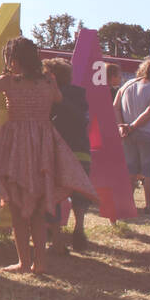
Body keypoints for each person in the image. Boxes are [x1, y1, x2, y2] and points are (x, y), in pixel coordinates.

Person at [0, 37, 96, 274]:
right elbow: (58, 99)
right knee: (39, 211)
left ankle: (23, 262)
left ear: (14, 60)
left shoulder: (9, 82)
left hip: (17, 146)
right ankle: (39, 263)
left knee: (20, 210)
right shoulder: (48, 81)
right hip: (43, 144)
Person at [45, 58, 91, 252]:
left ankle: (55, 237)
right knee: (79, 194)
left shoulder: (53, 96)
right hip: (82, 149)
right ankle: (79, 226)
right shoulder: (80, 96)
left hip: (60, 151)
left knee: (53, 193)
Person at [115, 58, 150, 213]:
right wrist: (133, 126)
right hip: (148, 132)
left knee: (130, 170)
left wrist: (122, 126)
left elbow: (115, 107)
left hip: (126, 134)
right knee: (149, 172)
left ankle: (125, 204)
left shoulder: (127, 84)